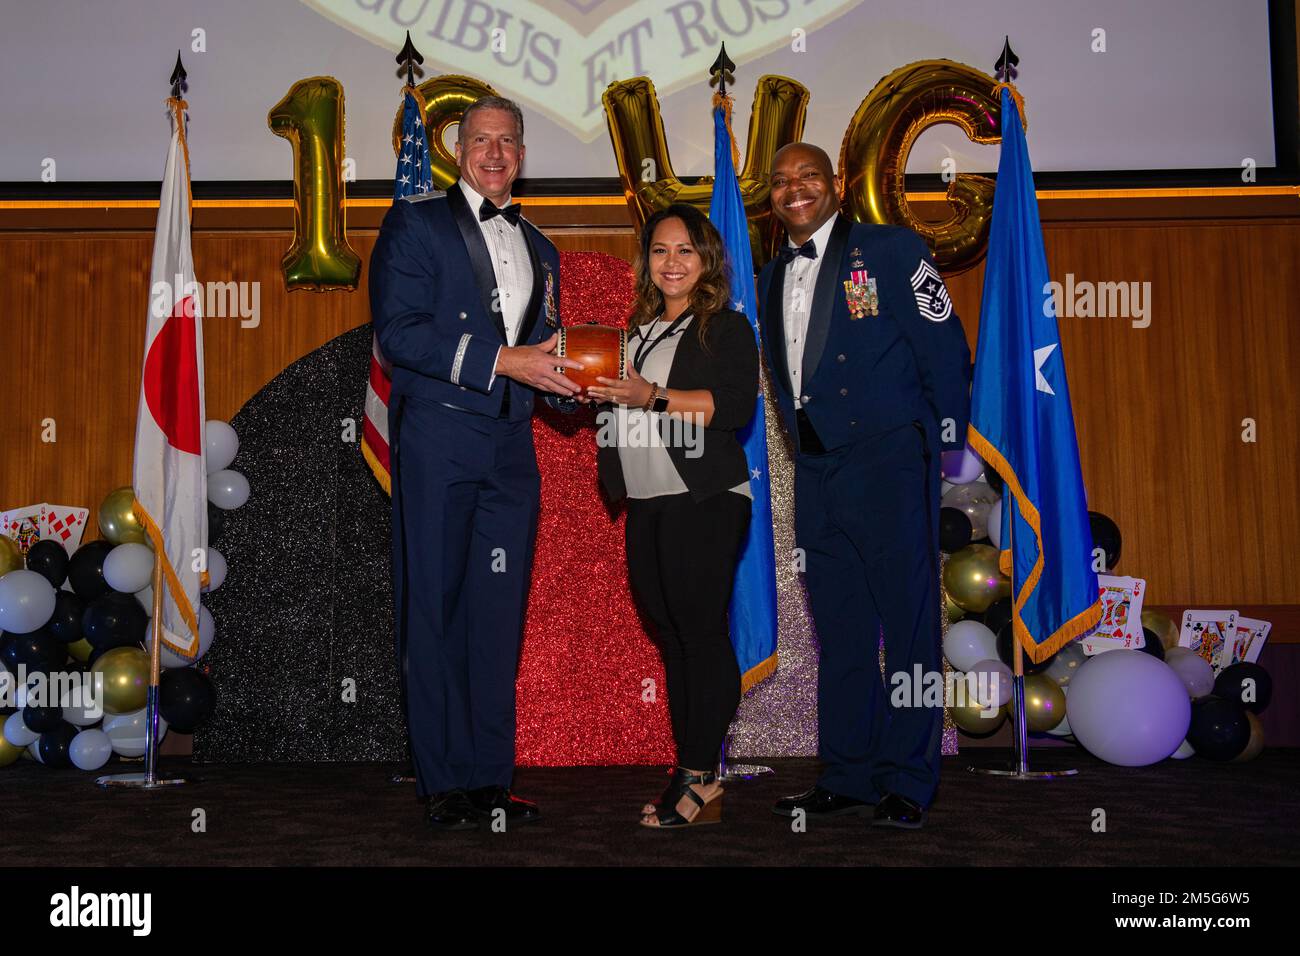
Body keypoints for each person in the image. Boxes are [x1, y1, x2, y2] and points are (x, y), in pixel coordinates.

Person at [369, 95, 582, 832]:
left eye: (509, 142)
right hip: (440, 439)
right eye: (481, 141)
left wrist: (584, 388)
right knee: (434, 610)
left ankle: (491, 779)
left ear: (522, 154)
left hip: (512, 453)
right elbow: (400, 335)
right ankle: (442, 782)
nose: (495, 153)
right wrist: (506, 360)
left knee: (496, 618)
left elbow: (545, 360)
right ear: (459, 151)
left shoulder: (544, 249)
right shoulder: (414, 222)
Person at [759, 143, 971, 829]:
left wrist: (938, 447)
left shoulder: (890, 249)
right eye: (783, 182)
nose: (796, 190)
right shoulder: (770, 275)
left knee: (908, 628)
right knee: (842, 633)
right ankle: (847, 772)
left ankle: (909, 777)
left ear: (837, 183)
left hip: (887, 465)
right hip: (816, 471)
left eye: (809, 178)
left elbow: (943, 343)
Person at [586, 203, 759, 829]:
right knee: (672, 634)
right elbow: (613, 408)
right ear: (647, 262)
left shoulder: (726, 328)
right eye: (660, 251)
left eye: (685, 250)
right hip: (647, 498)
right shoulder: (633, 330)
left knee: (700, 633)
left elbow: (735, 408)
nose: (672, 262)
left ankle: (697, 774)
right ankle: (695, 767)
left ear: (706, 259)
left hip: (706, 497)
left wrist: (651, 395)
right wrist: (582, 387)